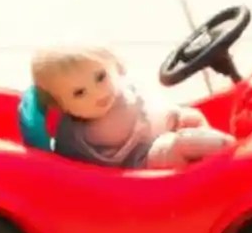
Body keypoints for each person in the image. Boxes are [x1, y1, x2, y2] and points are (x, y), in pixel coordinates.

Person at [30, 45, 234, 169]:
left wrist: (176, 116)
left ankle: (212, 166)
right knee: (180, 144)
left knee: (192, 117)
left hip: (156, 138)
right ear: (60, 105)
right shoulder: (90, 131)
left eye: (101, 77)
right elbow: (148, 126)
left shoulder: (120, 90)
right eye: (79, 93)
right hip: (141, 163)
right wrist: (171, 119)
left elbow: (151, 109)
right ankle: (232, 153)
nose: (98, 93)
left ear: (115, 65)